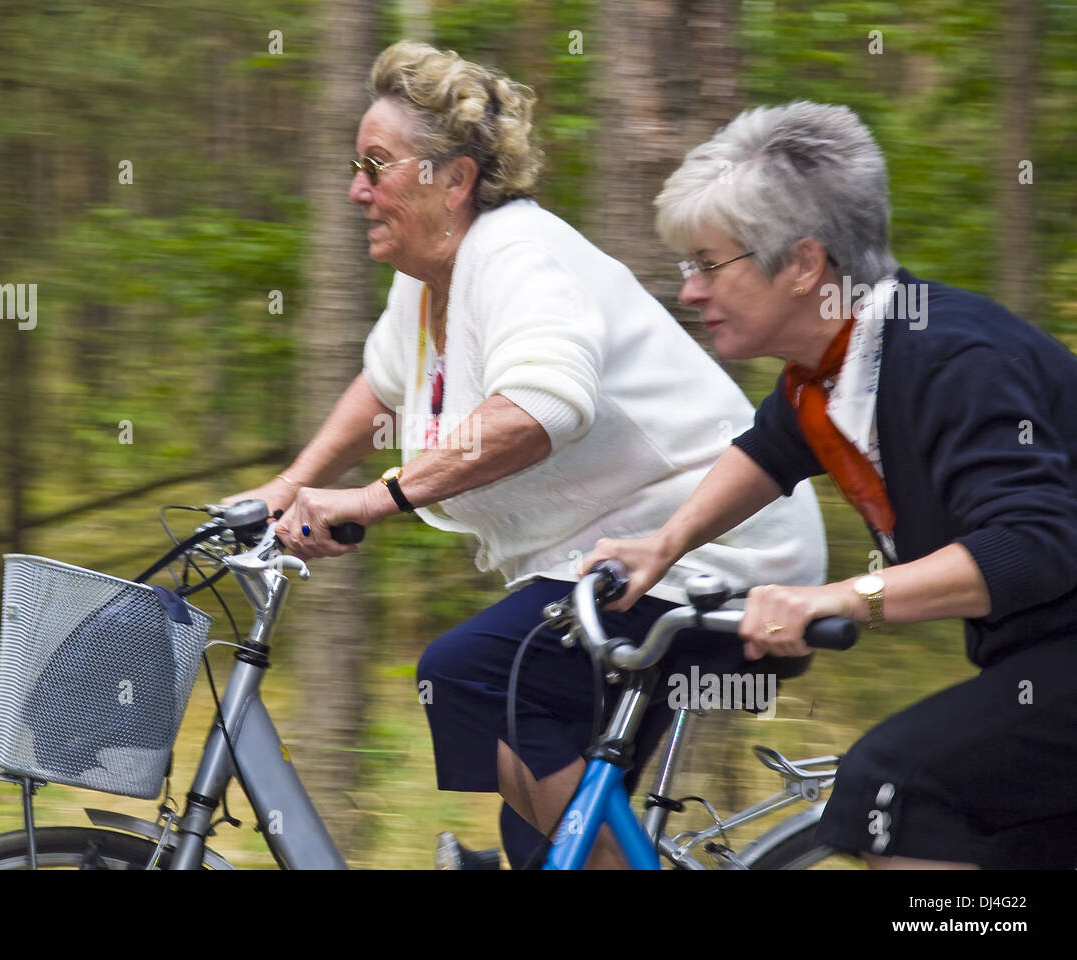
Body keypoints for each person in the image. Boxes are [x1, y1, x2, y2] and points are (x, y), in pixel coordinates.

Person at [226, 42, 827, 869]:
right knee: (536, 829)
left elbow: (542, 409)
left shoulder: (517, 258)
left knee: (473, 673)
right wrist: (289, 488)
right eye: (354, 166)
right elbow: (384, 387)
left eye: (377, 165)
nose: (356, 189)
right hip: (603, 569)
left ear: (454, 179)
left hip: (716, 555)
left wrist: (371, 501)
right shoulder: (429, 280)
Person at [582, 100, 1077, 869]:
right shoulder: (835, 370)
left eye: (710, 264)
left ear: (806, 264)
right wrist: (664, 544)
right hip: (1036, 663)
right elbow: (771, 450)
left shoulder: (948, 358)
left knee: (892, 786)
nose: (690, 291)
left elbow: (1033, 545)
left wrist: (845, 598)